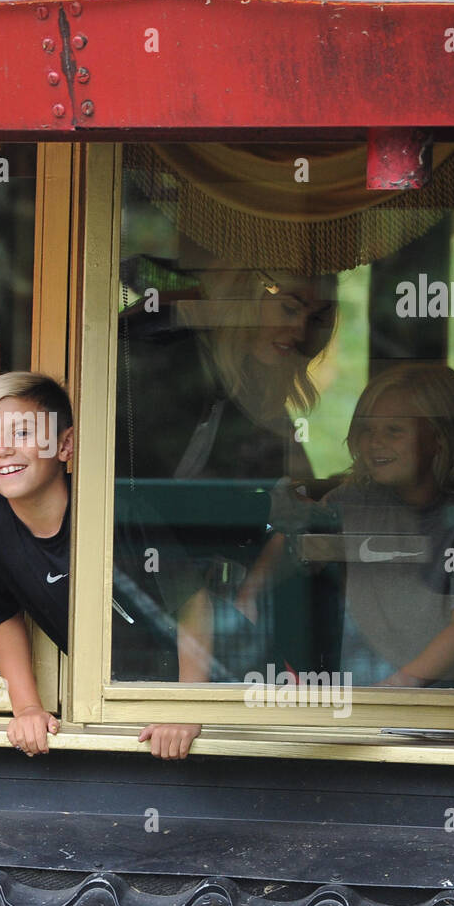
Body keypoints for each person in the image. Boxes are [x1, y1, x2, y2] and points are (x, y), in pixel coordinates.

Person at [0, 371, 206, 759]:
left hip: (201, 688)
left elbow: (193, 602)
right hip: (111, 704)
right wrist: (27, 708)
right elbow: (0, 617)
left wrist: (187, 704)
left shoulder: (115, 510)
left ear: (65, 445)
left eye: (21, 433)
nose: (2, 450)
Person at [116, 265, 339, 680]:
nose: (300, 331)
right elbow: (139, 495)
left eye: (316, 319)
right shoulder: (167, 357)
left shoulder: (248, 382)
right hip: (125, 582)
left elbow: (293, 489)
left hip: (191, 592)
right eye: (290, 308)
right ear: (244, 301)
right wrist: (266, 509)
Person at [259, 364, 454, 687]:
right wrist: (292, 526)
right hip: (362, 686)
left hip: (449, 696)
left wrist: (398, 686)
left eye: (393, 431)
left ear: (439, 439)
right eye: (367, 430)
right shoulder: (349, 503)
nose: (375, 442)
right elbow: (290, 562)